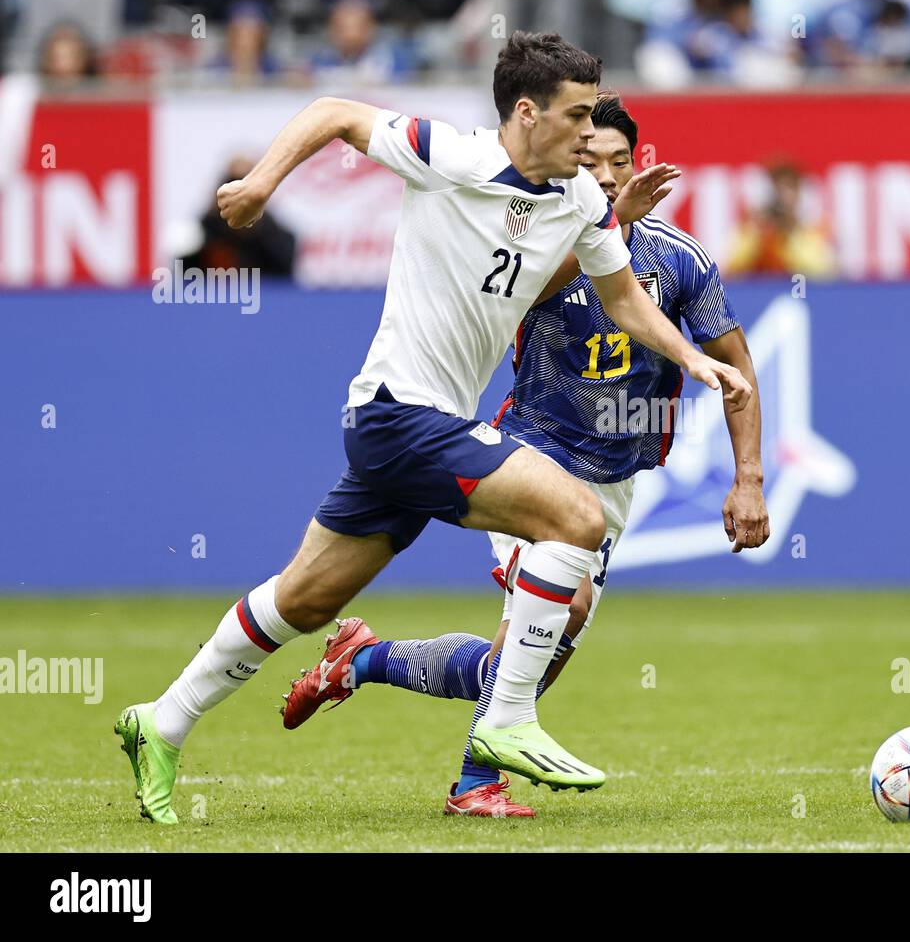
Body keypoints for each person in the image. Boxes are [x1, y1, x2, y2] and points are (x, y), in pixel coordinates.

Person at [114, 32, 751, 825]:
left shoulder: (582, 201)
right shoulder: (450, 155)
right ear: (527, 112)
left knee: (304, 601)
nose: (592, 137)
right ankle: (508, 717)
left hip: (427, 427)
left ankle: (161, 721)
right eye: (578, 116)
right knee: (576, 519)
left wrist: (691, 359)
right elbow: (334, 111)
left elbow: (623, 300)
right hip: (397, 412)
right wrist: (258, 185)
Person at [280, 92, 770, 817]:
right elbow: (530, 286)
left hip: (615, 483)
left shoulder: (681, 260)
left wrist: (749, 479)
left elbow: (736, 367)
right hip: (531, 456)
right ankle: (475, 787)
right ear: (570, 157)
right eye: (592, 159)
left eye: (620, 160)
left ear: (639, 162)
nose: (605, 174)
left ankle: (364, 659)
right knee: (551, 616)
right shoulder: (538, 231)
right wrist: (615, 222)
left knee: (525, 669)